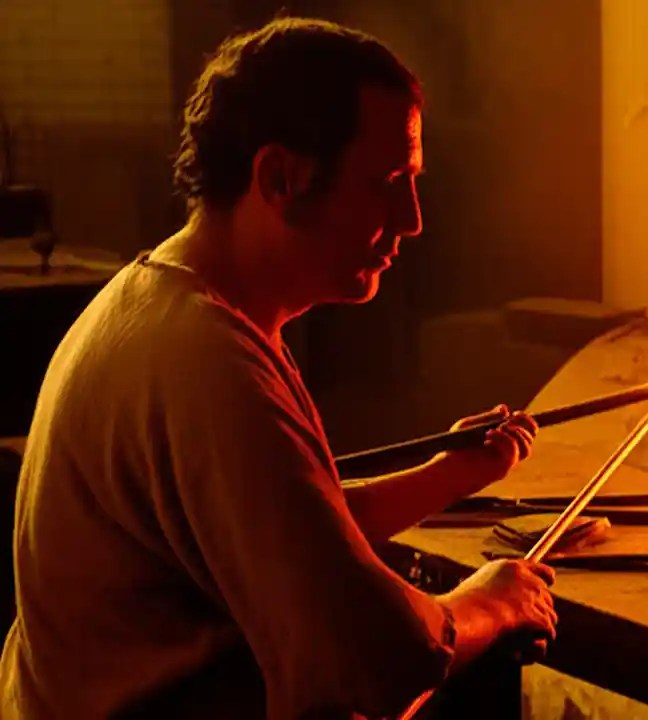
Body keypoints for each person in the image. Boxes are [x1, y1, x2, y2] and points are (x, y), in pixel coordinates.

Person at [0, 17, 558, 719]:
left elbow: (293, 524)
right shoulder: (208, 362)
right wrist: (491, 602)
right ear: (280, 178)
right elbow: (376, 657)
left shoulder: (169, 303)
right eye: (387, 181)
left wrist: (455, 471)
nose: (412, 218)